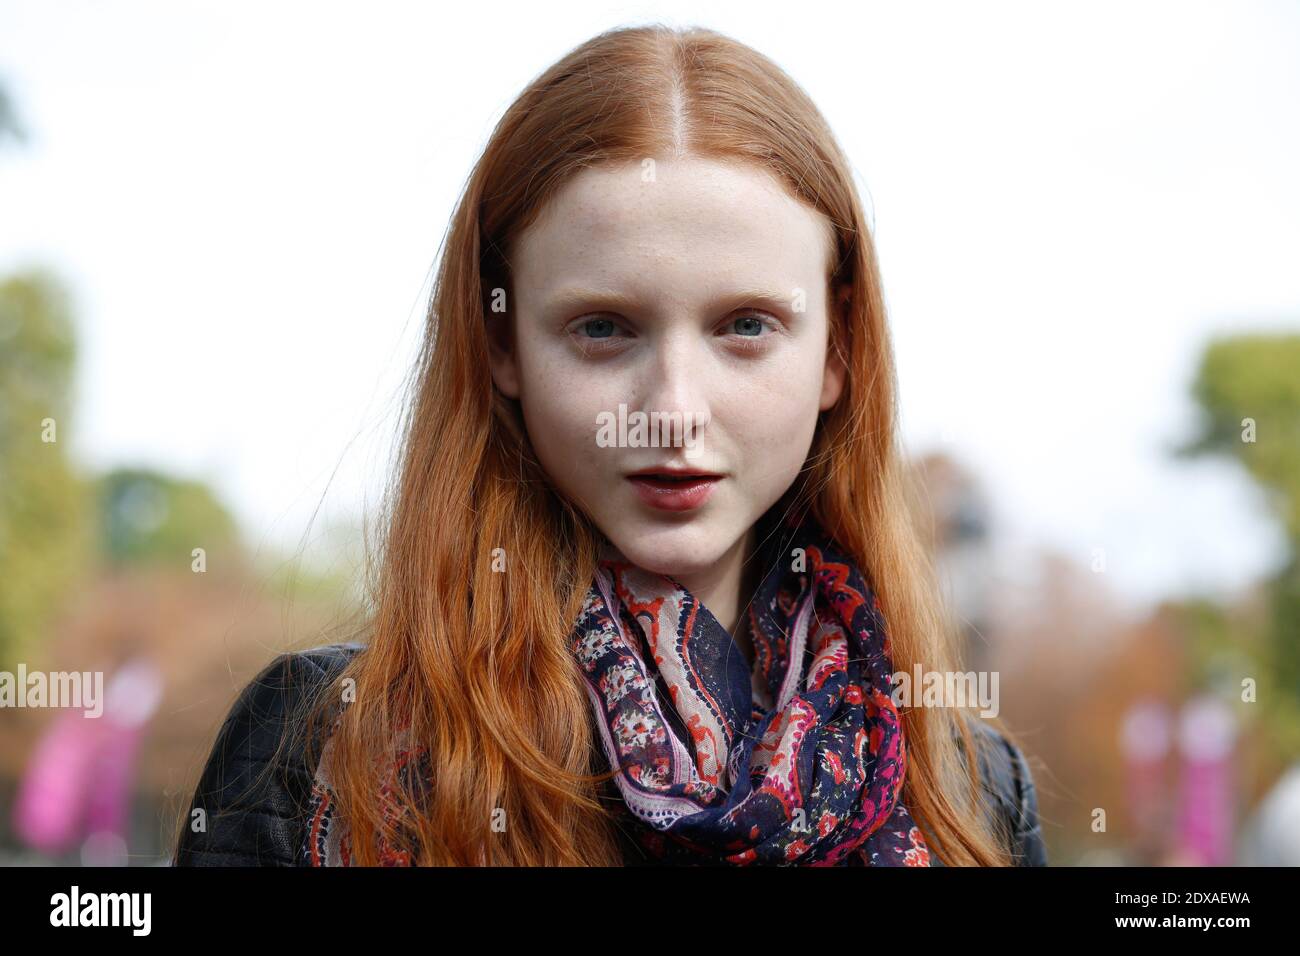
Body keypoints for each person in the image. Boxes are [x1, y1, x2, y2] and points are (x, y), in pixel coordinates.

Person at [173, 23, 1047, 867]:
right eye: (602, 328)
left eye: (746, 325)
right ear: (503, 344)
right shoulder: (321, 748)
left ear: (840, 350)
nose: (671, 410)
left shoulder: (972, 792)